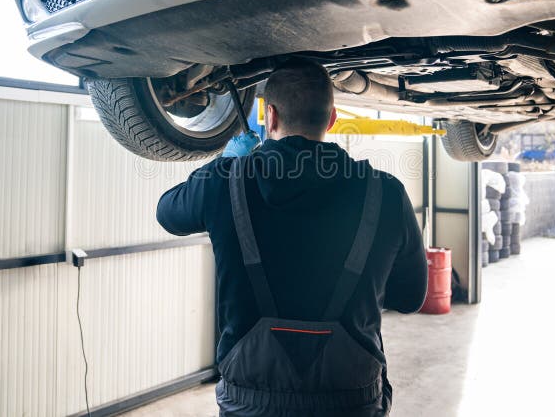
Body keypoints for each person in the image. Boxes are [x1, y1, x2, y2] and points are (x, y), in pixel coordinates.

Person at [157, 60, 428, 416]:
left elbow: (167, 213)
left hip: (251, 404)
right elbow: (410, 298)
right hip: (350, 400)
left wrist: (222, 164)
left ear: (270, 116)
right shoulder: (387, 192)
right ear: (331, 118)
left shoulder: (226, 182)